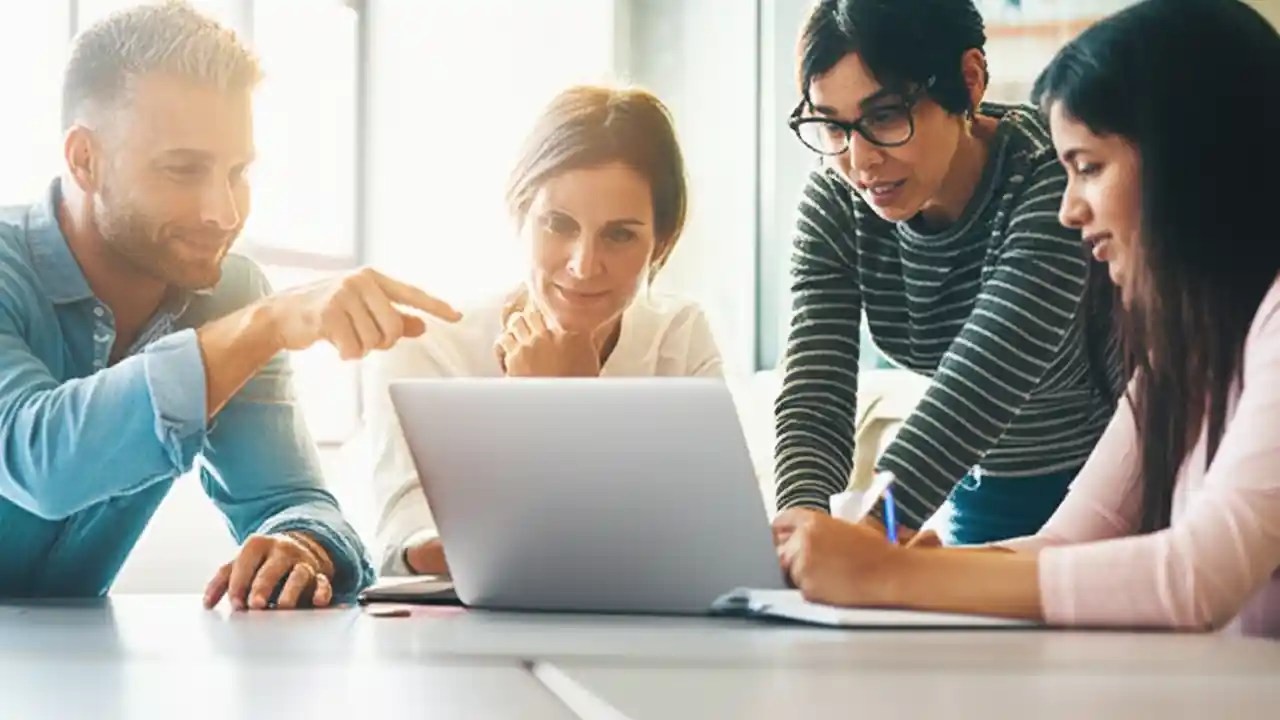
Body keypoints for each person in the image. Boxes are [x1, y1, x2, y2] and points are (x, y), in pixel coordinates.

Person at [774, 0, 1280, 636]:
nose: (860, 158)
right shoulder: (1185, 350)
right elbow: (1066, 543)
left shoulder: (1035, 177)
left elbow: (1191, 577)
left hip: (1075, 457)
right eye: (832, 127)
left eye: (1090, 169)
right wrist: (811, 542)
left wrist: (881, 551)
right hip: (996, 489)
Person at [0, 3, 459, 609]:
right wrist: (265, 326)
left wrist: (301, 546)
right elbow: (39, 456)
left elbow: (292, 498)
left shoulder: (229, 295)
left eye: (237, 171)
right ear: (85, 159)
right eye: (183, 170)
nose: (224, 212)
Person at [773, 0, 1121, 544]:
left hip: (1114, 480)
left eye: (885, 115)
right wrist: (798, 529)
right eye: (833, 127)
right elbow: (816, 391)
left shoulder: (1050, 178)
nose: (860, 162)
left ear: (970, 78)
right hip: (980, 487)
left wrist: (869, 536)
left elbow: (981, 379)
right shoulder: (838, 198)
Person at [365, 85, 722, 576]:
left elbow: (708, 540)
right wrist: (548, 412)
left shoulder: (678, 338)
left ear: (661, 243)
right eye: (558, 224)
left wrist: (570, 405)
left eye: (619, 235)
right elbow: (407, 552)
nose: (583, 265)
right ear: (520, 214)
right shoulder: (425, 347)